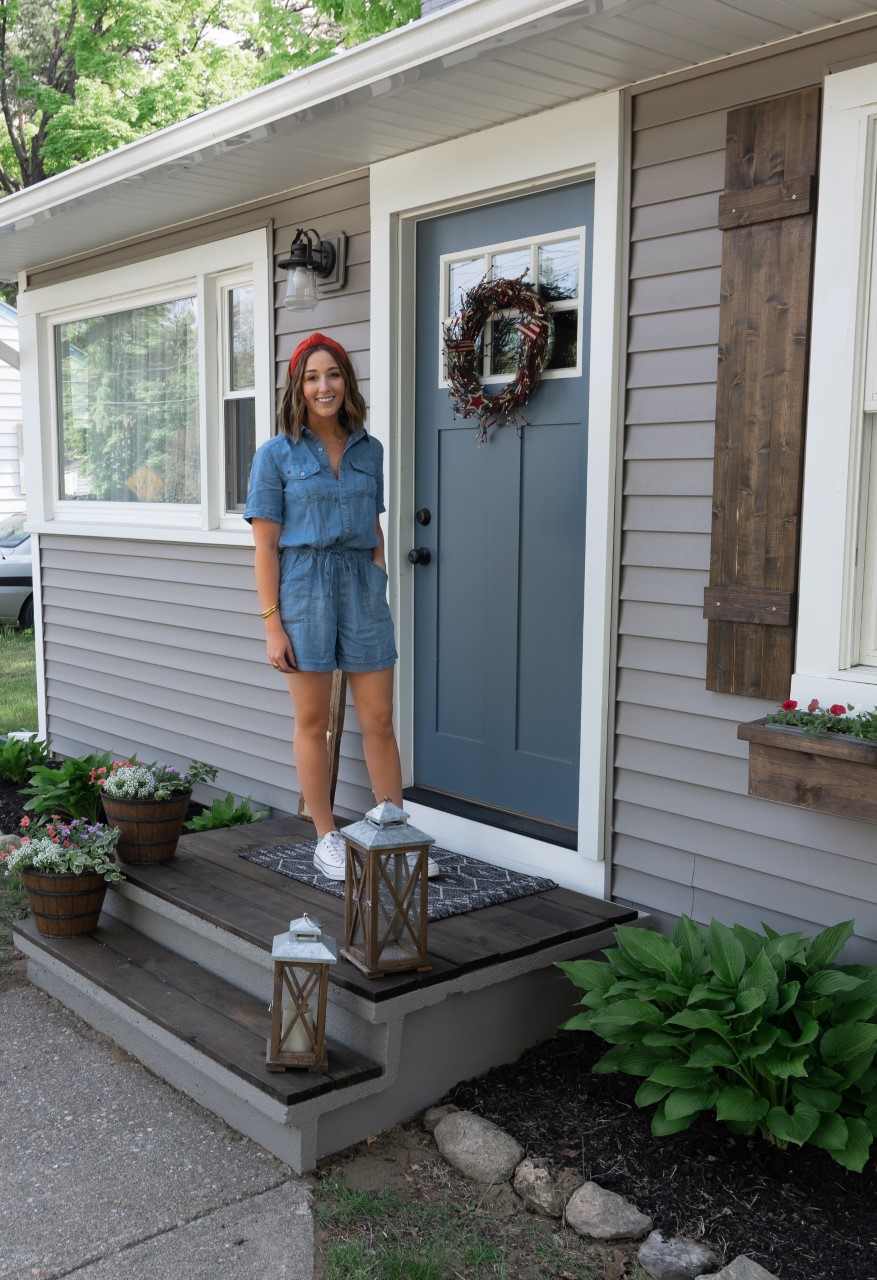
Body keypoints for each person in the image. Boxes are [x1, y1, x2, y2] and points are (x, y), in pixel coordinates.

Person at [245, 332, 437, 881]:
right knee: (313, 723)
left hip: (360, 586)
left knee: (378, 719)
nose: (322, 386)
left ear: (346, 382)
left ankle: (393, 837)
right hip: (303, 588)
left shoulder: (369, 449)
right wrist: (272, 624)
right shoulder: (275, 454)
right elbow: (264, 546)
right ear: (297, 387)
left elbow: (374, 526)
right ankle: (326, 837)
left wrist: (376, 574)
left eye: (332, 375)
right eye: (311, 377)